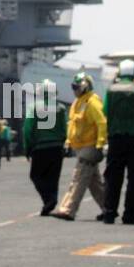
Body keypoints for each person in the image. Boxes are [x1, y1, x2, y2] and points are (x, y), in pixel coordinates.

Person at [100, 59, 134, 224]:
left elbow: (104, 113)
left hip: (116, 139)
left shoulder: (110, 90)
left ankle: (109, 212)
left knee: (113, 177)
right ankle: (129, 214)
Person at [50, 72, 107, 220]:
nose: (74, 90)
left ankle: (68, 209)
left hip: (91, 146)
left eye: (76, 87)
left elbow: (102, 123)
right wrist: (68, 142)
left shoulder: (92, 102)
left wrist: (100, 143)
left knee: (79, 177)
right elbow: (72, 125)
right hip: (80, 147)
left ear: (85, 87)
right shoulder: (78, 103)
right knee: (94, 182)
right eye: (73, 87)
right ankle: (108, 207)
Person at [23, 80, 67, 215]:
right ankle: (51, 199)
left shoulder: (33, 107)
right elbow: (65, 128)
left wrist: (27, 148)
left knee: (35, 176)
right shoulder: (61, 108)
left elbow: (27, 129)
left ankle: (48, 200)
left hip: (40, 148)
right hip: (57, 148)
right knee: (53, 178)